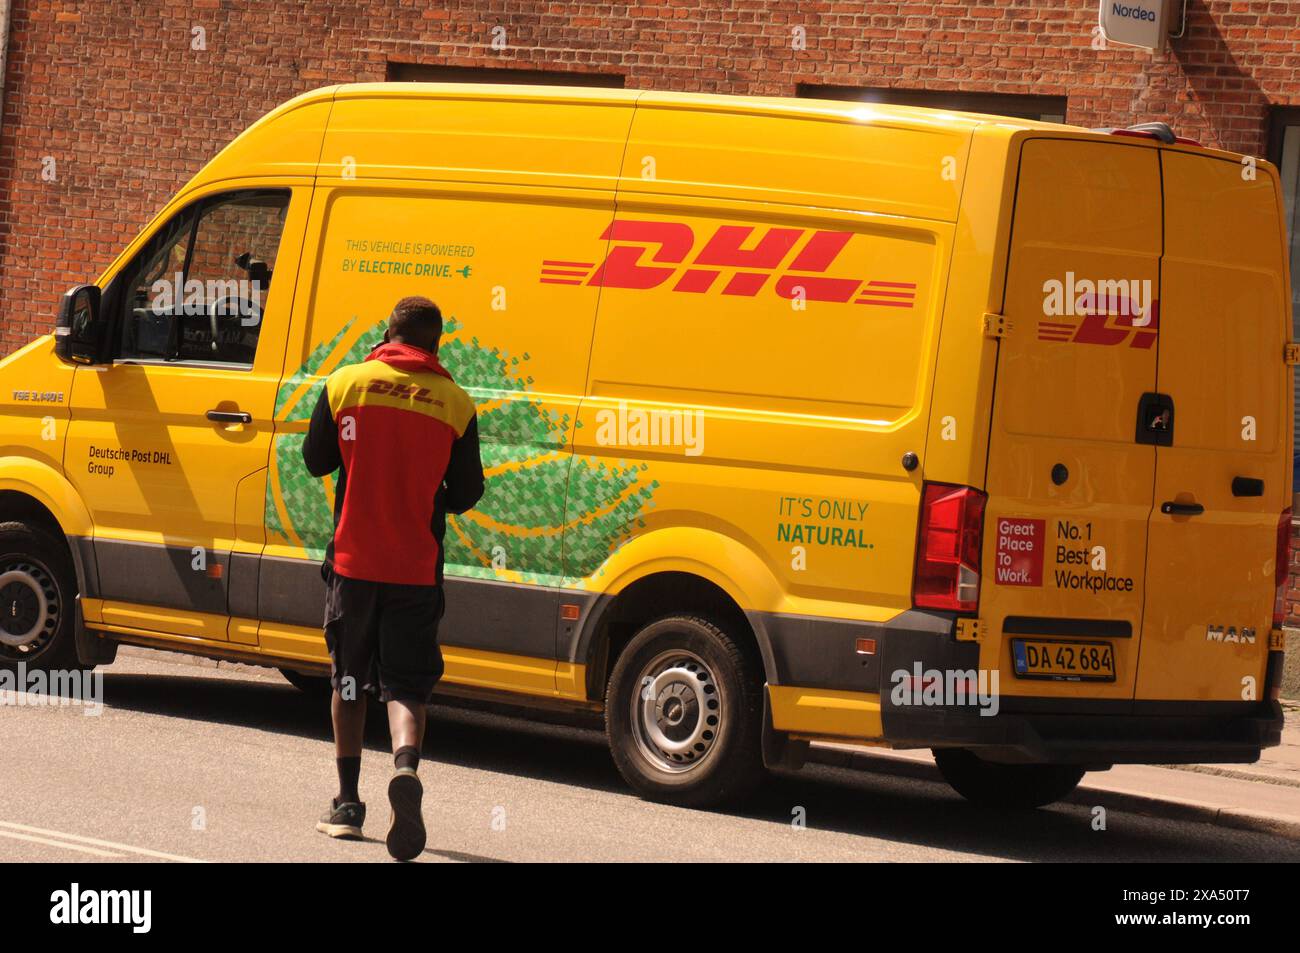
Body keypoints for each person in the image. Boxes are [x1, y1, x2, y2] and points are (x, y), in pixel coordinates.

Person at [301, 295, 483, 861]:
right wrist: (426, 496)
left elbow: (315, 460)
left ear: (388, 332)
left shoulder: (346, 384)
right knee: (405, 685)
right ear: (435, 345)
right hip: (414, 568)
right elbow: (470, 491)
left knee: (348, 681)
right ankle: (405, 767)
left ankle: (348, 804)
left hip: (355, 563)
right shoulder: (455, 403)